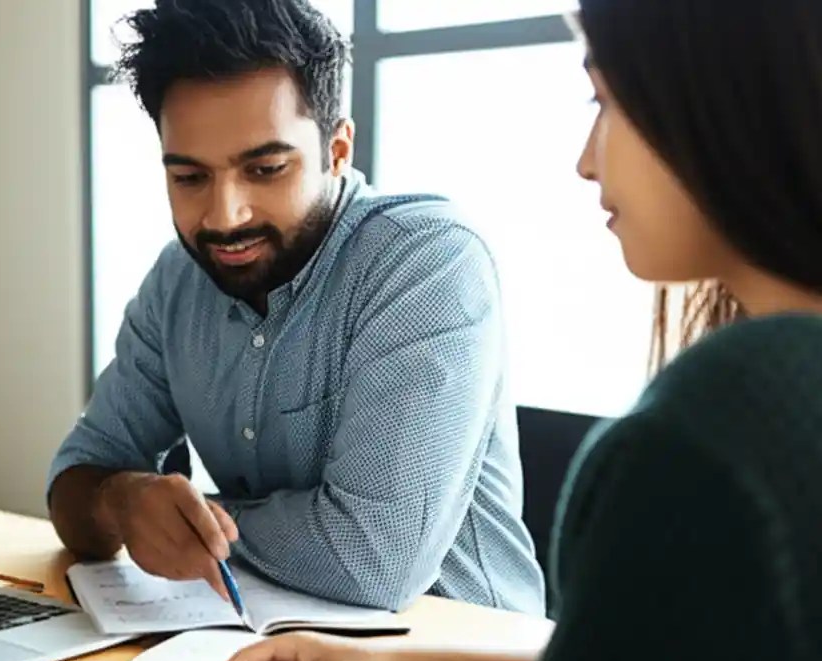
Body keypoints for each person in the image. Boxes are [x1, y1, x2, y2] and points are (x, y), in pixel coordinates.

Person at [105, 0, 822, 661]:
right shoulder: (765, 401)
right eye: (190, 176)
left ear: (727, 104)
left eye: (605, 99)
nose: (582, 159)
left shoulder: (712, 427)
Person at [48, 0, 544, 615]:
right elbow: (75, 476)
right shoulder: (176, 281)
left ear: (337, 150)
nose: (224, 216)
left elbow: (373, 561)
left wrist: (189, 521)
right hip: (255, 646)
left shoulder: (426, 261)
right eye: (190, 178)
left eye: (266, 169)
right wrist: (120, 500)